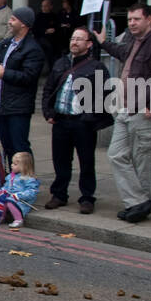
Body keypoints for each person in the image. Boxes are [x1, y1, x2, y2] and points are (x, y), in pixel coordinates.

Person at [96, 3, 151, 223]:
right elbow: (122, 54)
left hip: (142, 108)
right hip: (125, 108)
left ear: (149, 19)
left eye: (136, 19)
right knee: (116, 154)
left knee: (142, 158)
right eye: (129, 19)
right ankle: (138, 201)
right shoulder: (132, 39)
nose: (132, 23)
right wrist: (104, 42)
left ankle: (142, 203)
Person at [42, 26, 108, 213]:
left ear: (88, 44)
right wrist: (49, 112)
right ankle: (59, 194)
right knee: (61, 160)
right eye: (73, 38)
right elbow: (49, 89)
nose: (74, 42)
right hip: (61, 120)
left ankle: (87, 197)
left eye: (79, 39)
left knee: (86, 161)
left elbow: (103, 95)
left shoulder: (96, 67)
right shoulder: (61, 63)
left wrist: (90, 118)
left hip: (82, 122)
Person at [0, 5, 44, 164]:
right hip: (2, 104)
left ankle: (26, 180)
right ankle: (11, 179)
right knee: (6, 145)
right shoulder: (8, 43)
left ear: (24, 24)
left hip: (18, 107)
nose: (9, 22)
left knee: (19, 146)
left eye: (13, 19)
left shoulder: (32, 49)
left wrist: (5, 73)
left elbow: (29, 76)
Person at [2, 152, 39, 228]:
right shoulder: (10, 176)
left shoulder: (29, 179)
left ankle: (18, 219)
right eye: (12, 163)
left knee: (9, 202)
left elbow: (32, 192)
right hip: (11, 197)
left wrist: (18, 195)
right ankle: (1, 217)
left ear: (24, 167)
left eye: (15, 164)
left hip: (22, 201)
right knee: (2, 200)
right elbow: (6, 186)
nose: (11, 165)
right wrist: (3, 191)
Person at [34, 0, 61, 66]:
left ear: (51, 6)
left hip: (53, 41)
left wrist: (54, 30)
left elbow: (58, 27)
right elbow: (35, 29)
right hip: (41, 40)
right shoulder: (38, 17)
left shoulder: (55, 16)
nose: (43, 8)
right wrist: (45, 31)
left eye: (46, 6)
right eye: (42, 6)